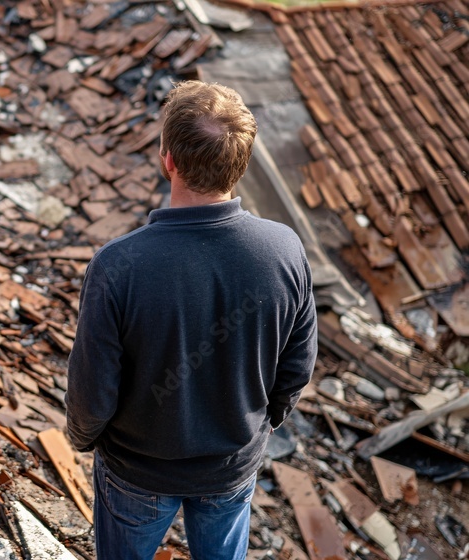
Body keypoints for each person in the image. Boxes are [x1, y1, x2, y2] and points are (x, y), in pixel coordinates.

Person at [65, 81, 318, 559]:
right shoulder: (285, 251)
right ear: (241, 164)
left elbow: (92, 391)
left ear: (169, 160)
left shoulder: (119, 266)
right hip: (230, 469)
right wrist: (255, 429)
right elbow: (297, 369)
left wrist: (84, 439)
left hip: (137, 474)